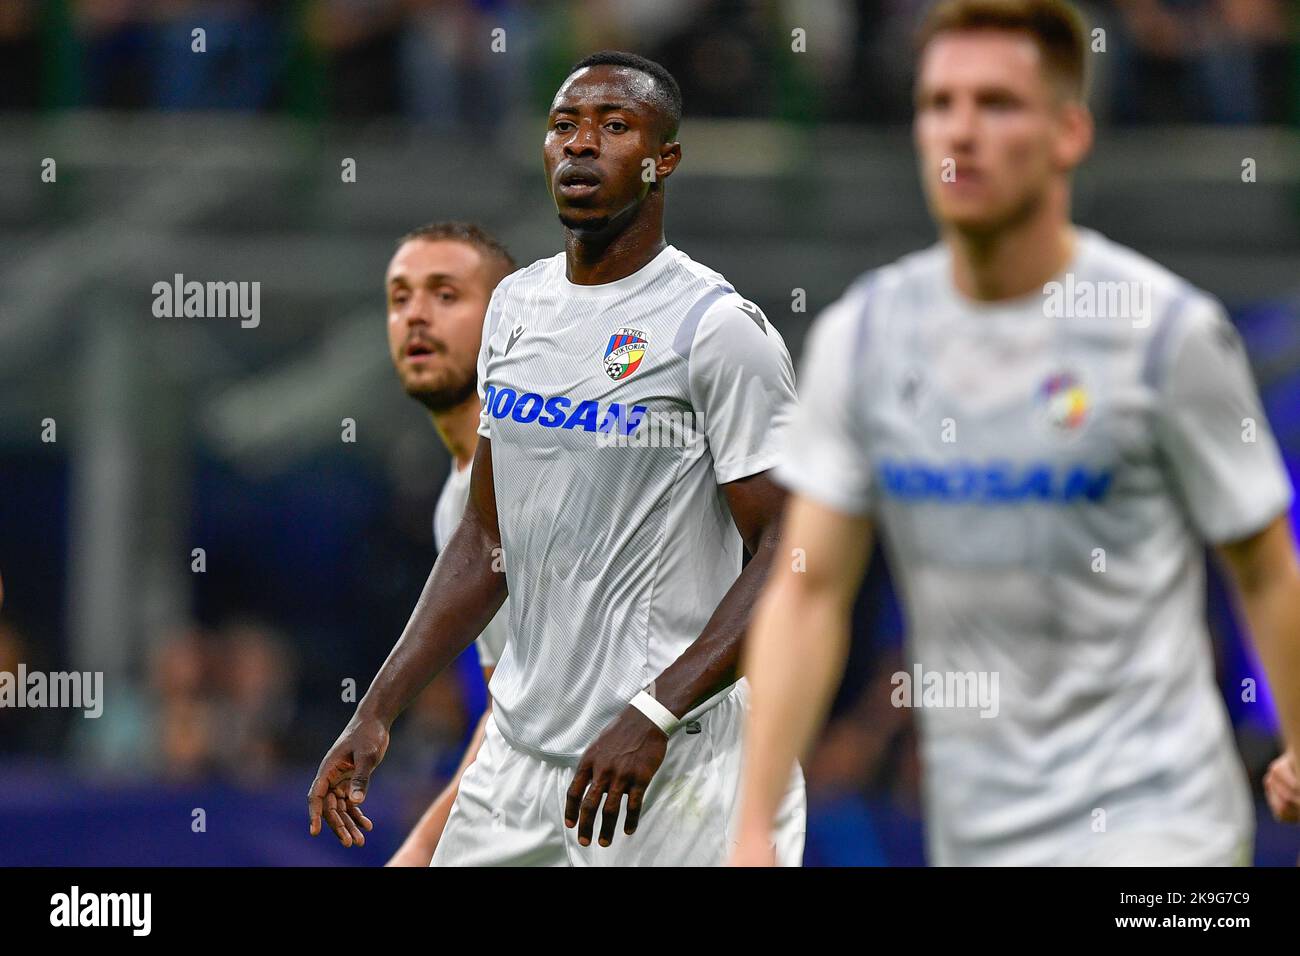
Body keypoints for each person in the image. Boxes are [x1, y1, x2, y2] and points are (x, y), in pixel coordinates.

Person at [735, 0, 1300, 866]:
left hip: (1162, 824)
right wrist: (753, 823)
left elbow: (1264, 568)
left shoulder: (1166, 333)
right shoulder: (866, 337)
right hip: (975, 833)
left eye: (997, 104)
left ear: (1070, 132)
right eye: (939, 105)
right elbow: (810, 594)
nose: (961, 132)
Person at [310, 51, 806, 865]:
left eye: (615, 127)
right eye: (564, 126)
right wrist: (378, 708)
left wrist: (658, 712)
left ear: (663, 160)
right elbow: (483, 539)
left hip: (662, 765)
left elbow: (793, 550)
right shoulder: (516, 306)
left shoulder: (715, 329)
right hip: (516, 762)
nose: (581, 146)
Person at [381, 222, 515, 865]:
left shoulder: (545, 460)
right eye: (400, 297)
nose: (415, 316)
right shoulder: (454, 504)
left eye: (445, 295)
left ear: (507, 319)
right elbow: (509, 718)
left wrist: (423, 848)